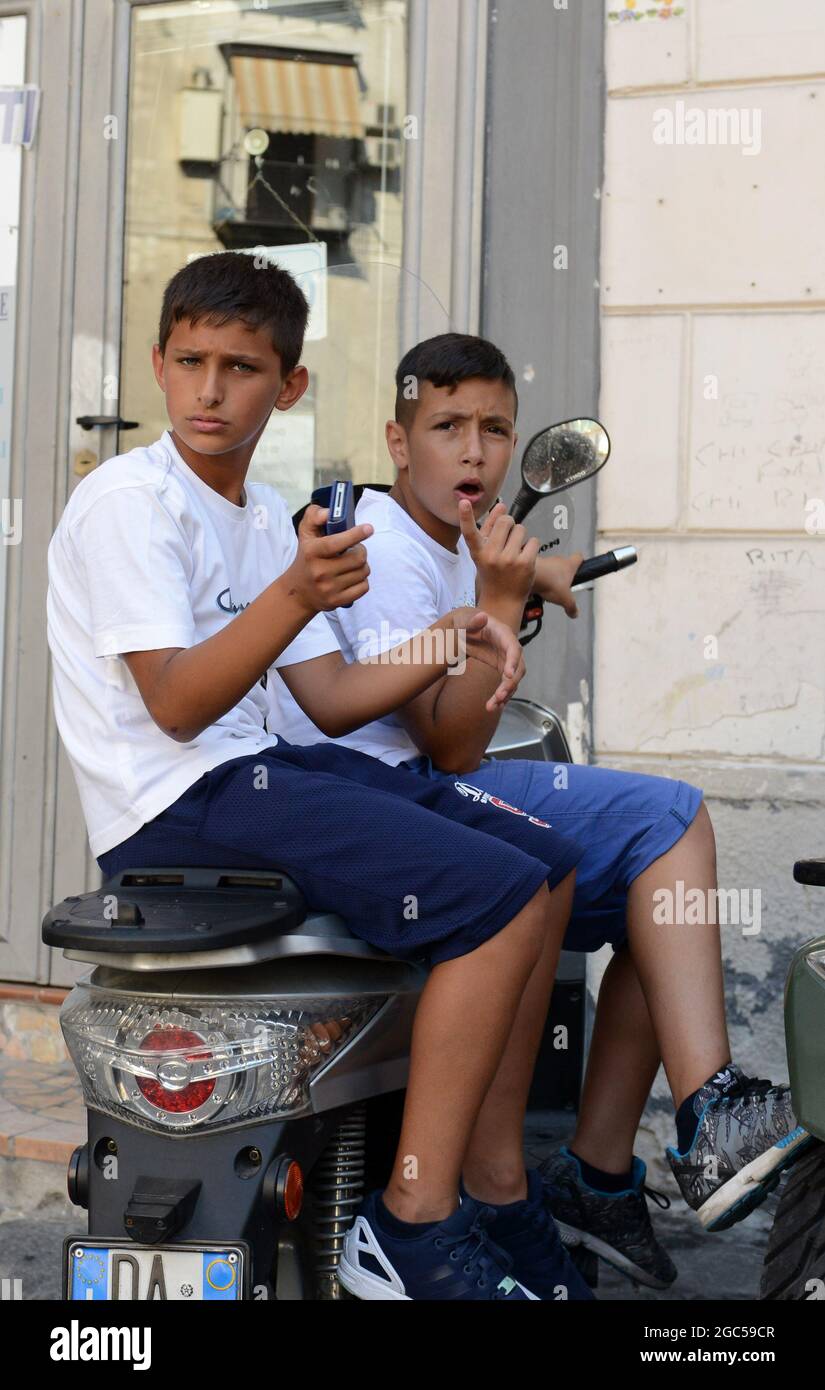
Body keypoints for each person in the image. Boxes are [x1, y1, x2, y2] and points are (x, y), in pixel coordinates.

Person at [45, 252, 600, 1302]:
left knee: (551, 865)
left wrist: (453, 634)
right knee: (498, 896)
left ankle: (490, 1179)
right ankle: (414, 1217)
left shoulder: (257, 514)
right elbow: (177, 704)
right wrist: (297, 593)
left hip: (258, 774)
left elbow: (336, 695)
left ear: (289, 386)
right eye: (193, 362)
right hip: (175, 807)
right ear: (158, 365)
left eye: (244, 367)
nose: (213, 391)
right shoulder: (130, 501)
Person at [274, 330, 814, 1291]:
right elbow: (451, 745)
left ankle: (602, 1174)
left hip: (412, 789)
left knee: (664, 909)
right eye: (445, 427)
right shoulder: (385, 547)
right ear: (399, 445)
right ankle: (702, 1117)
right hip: (394, 794)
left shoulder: (442, 541)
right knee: (670, 819)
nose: (474, 452)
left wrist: (512, 588)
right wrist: (495, 594)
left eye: (494, 429)